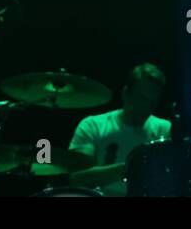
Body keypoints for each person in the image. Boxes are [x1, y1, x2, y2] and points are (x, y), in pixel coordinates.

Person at [68, 62, 172, 196]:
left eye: (153, 101)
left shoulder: (164, 128)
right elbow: (76, 178)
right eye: (141, 98)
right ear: (125, 94)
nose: (147, 106)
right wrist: (128, 168)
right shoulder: (92, 125)